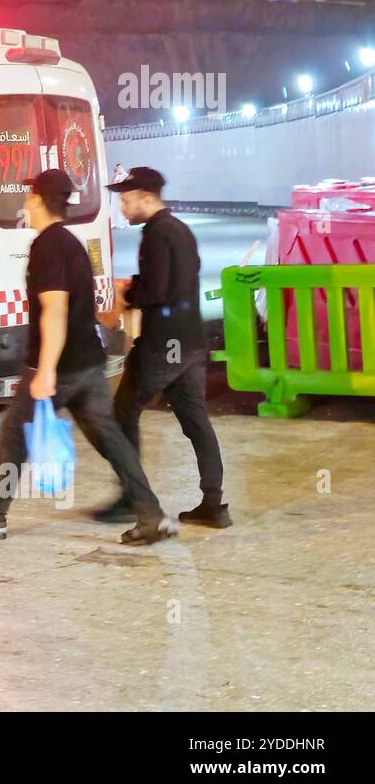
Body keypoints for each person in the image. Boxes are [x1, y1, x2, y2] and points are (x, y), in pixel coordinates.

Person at [0, 169, 177, 544]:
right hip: (89, 362)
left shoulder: (48, 247)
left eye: (28, 197)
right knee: (110, 439)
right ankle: (151, 515)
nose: (24, 202)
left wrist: (46, 371)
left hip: (60, 366)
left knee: (14, 435)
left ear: (38, 200)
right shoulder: (70, 242)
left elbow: (54, 309)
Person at [98, 167, 231, 528]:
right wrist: (141, 282)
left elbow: (157, 291)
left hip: (161, 346)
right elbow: (183, 276)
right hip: (190, 343)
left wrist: (127, 293)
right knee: (195, 420)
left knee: (122, 412)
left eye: (126, 200)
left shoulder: (155, 234)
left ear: (146, 197)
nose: (122, 208)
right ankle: (214, 504)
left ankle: (131, 497)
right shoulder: (181, 231)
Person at [110, 163, 129, 229]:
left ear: (122, 168)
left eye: (119, 168)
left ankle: (121, 223)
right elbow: (111, 183)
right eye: (117, 168)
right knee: (114, 208)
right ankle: (114, 222)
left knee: (120, 208)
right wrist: (115, 175)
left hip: (122, 194)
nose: (118, 169)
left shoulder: (126, 175)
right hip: (115, 194)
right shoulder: (116, 175)